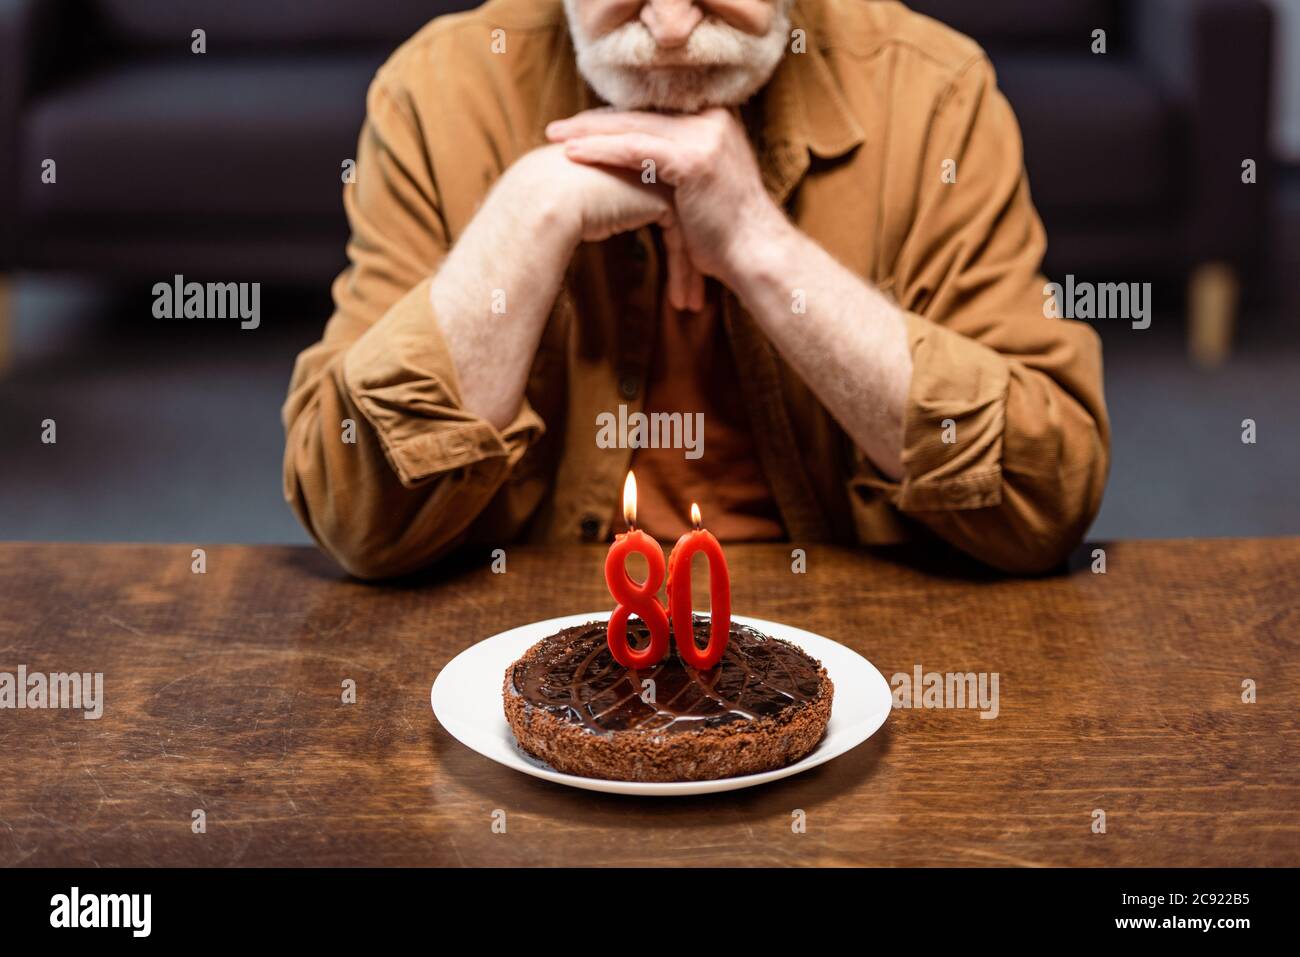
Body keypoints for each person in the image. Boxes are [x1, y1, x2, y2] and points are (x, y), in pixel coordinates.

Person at [282, 0, 1109, 578]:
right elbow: (353, 516)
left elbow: (1047, 497)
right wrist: (532, 215)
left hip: (852, 666)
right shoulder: (433, 90)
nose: (671, 26)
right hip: (532, 673)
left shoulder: (936, 91)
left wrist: (758, 245)